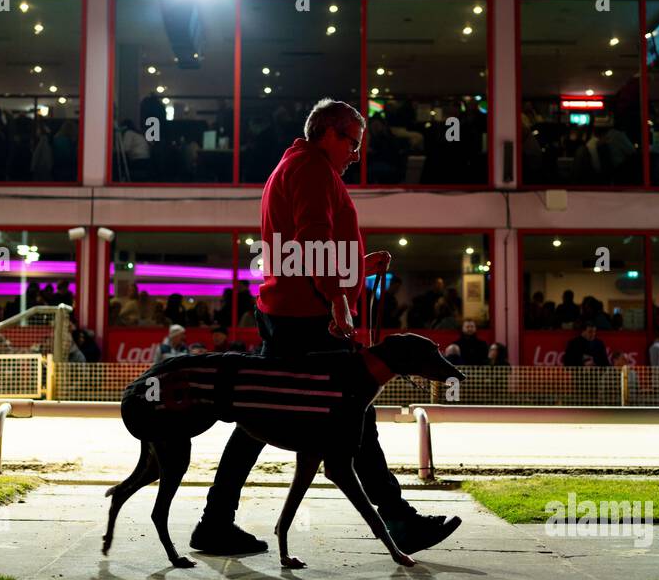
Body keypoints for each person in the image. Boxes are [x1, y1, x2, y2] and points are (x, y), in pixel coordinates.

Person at [191, 98, 460, 556]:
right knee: (353, 411)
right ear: (329, 134)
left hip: (287, 310)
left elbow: (307, 247)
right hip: (308, 315)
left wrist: (357, 267)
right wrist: (338, 299)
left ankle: (215, 520)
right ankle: (398, 520)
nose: (356, 154)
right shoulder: (314, 169)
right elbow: (312, 239)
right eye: (351, 143)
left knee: (259, 414)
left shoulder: (291, 167)